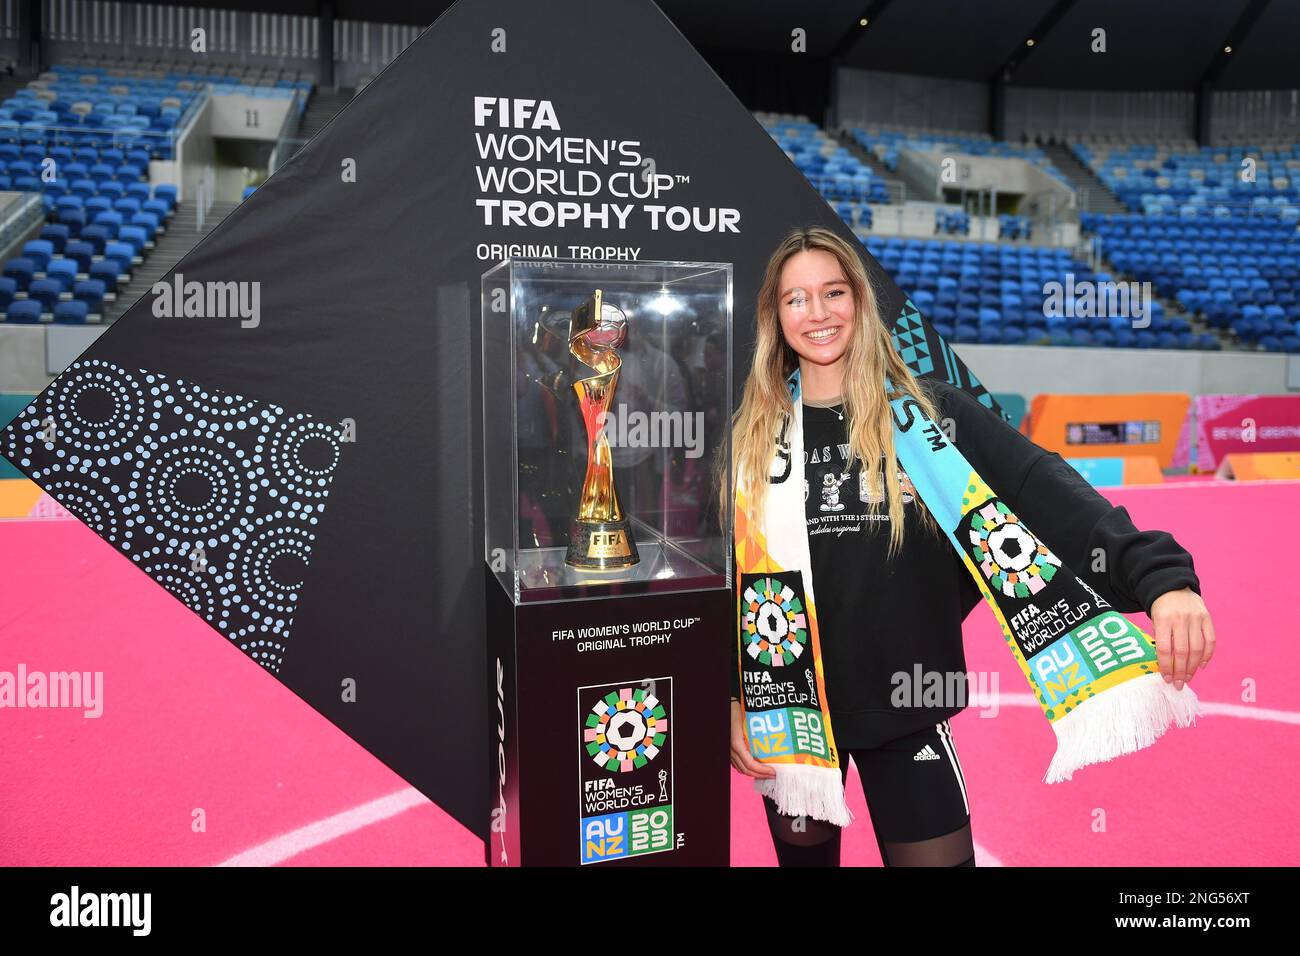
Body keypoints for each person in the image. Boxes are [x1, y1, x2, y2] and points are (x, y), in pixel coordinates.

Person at [722, 226, 1216, 867]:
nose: (817, 313)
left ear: (860, 303)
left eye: (833, 292)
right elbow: (724, 582)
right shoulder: (753, 440)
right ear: (775, 314)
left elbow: (1046, 491)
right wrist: (730, 697)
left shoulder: (932, 419)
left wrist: (1162, 578)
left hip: (906, 709)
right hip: (786, 717)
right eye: (797, 299)